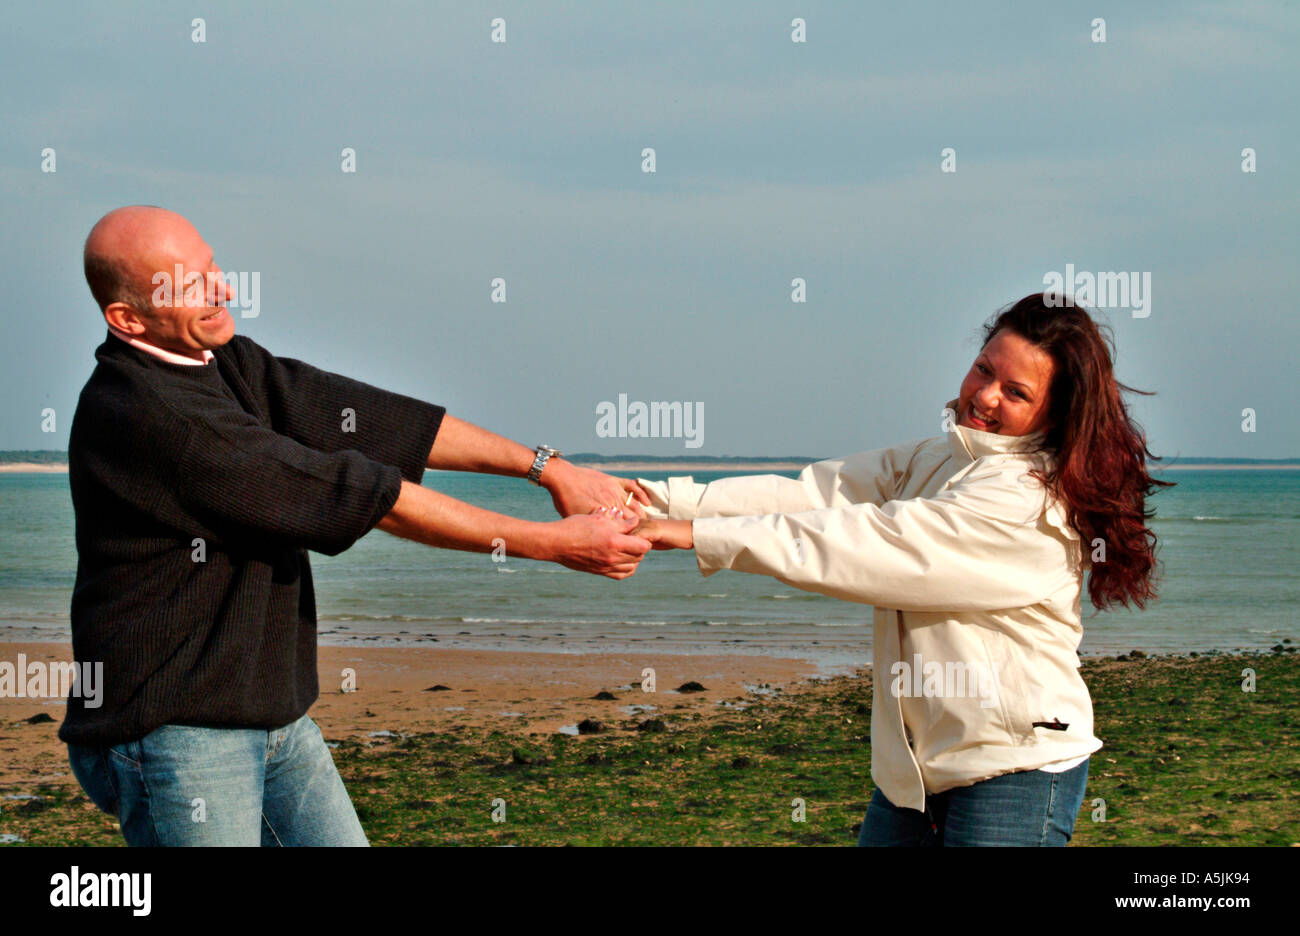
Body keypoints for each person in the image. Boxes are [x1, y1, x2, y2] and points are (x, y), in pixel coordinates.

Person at [63, 205, 652, 846]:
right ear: (127, 318)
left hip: (274, 717)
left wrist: (548, 468)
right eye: (188, 284)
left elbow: (367, 419)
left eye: (212, 269)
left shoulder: (222, 360)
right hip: (177, 732)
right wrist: (555, 544)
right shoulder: (152, 415)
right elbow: (360, 495)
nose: (222, 290)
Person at [633, 293, 1172, 846]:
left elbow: (872, 544)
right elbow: (814, 496)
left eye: (1016, 392)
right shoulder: (938, 459)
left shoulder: (1027, 498)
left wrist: (697, 535)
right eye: (984, 369)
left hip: (1013, 769)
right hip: (914, 776)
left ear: (1056, 412)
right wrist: (647, 500)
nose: (985, 395)